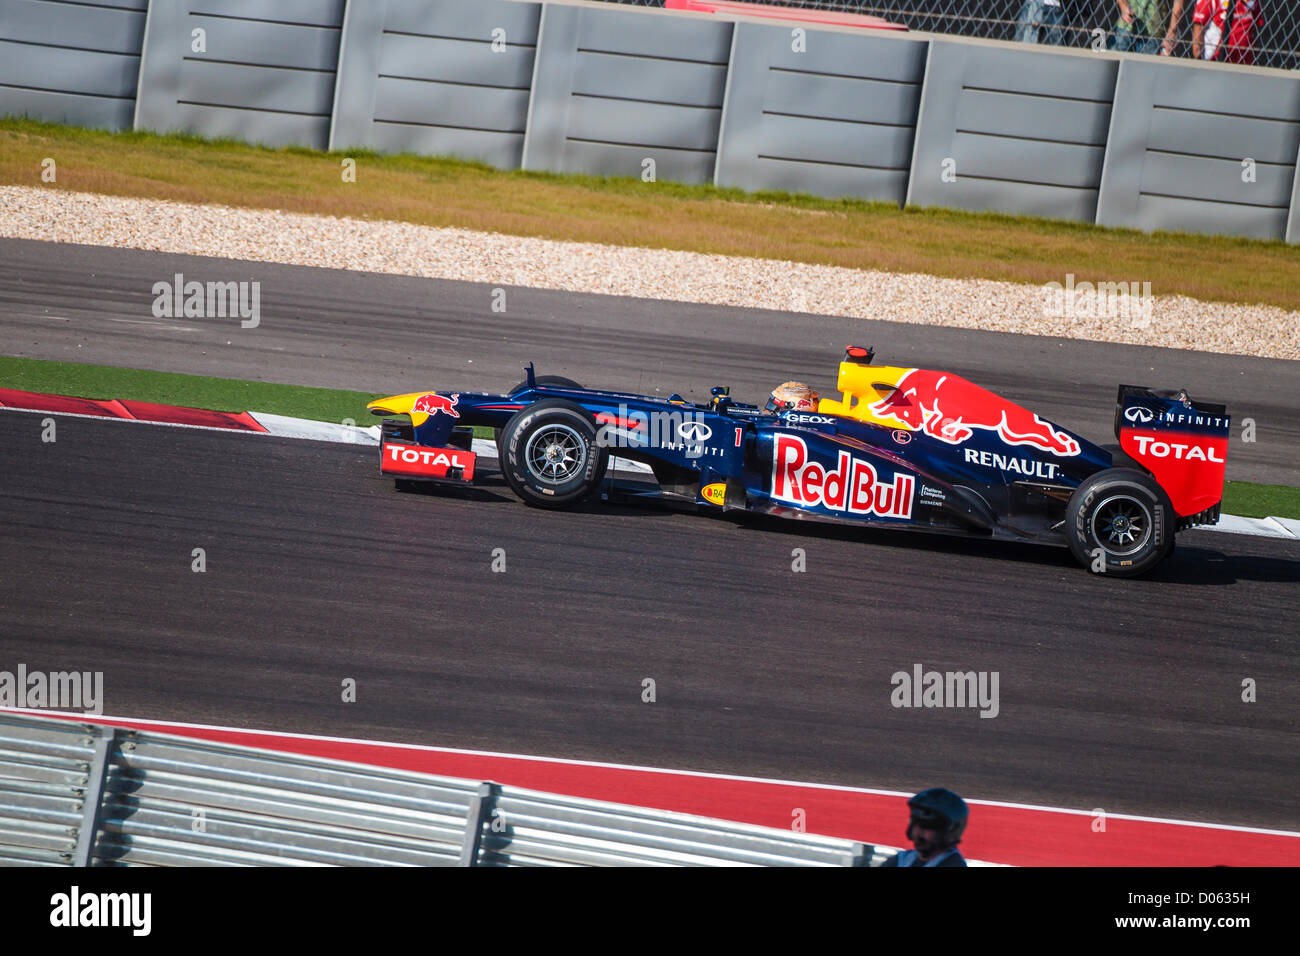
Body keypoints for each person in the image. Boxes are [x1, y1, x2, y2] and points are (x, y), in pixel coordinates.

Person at [880, 787, 970, 867]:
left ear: (950, 830)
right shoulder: (899, 860)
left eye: (929, 825)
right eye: (916, 822)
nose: (919, 831)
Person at [1193, 0, 1262, 64]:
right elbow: (1198, 29)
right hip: (1215, 60)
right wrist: (1199, 63)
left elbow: (1256, 27)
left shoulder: (1253, 1)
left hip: (1244, 60)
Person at [1110, 0, 1186, 55]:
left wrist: (1171, 33)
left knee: (1146, 73)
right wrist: (1123, 5)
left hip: (1154, 32)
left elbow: (1179, 2)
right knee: (1114, 68)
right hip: (1126, 27)